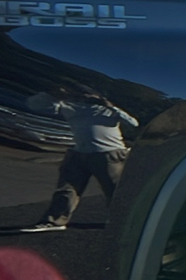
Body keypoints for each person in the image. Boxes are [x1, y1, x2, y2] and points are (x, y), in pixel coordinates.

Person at [23, 87, 138, 232]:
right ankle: (54, 221)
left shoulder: (107, 110)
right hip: (78, 152)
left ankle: (123, 223)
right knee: (67, 189)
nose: (87, 98)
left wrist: (110, 105)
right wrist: (52, 94)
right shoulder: (68, 106)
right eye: (83, 95)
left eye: (91, 96)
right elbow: (34, 105)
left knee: (115, 191)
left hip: (109, 154)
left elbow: (133, 123)